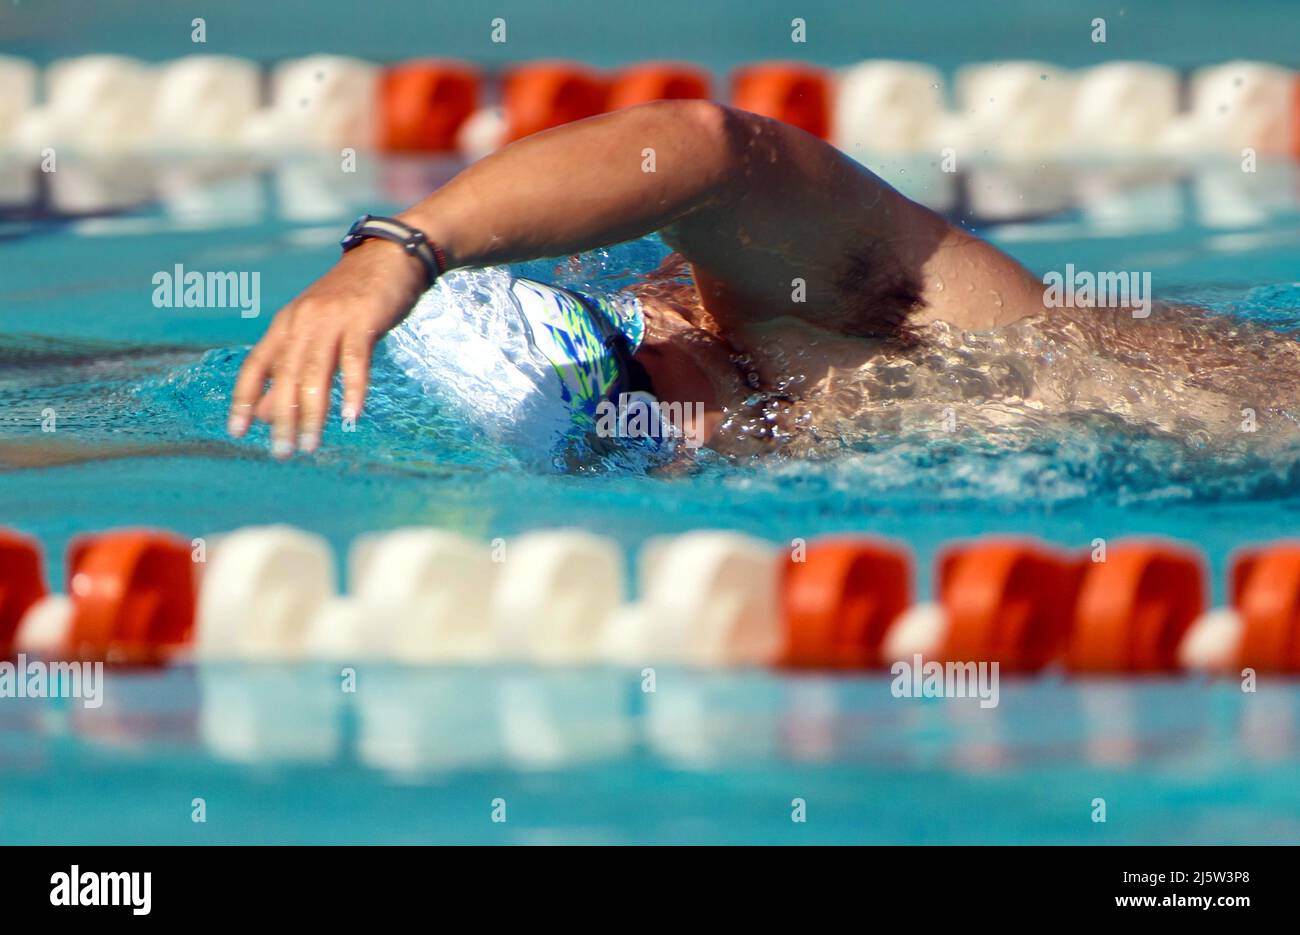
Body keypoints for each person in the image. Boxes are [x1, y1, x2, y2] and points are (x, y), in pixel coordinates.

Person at [226, 100, 1298, 461]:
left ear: (632, 337)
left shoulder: (825, 311)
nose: (664, 456)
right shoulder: (751, 421)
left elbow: (711, 144)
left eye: (630, 423)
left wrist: (402, 249)